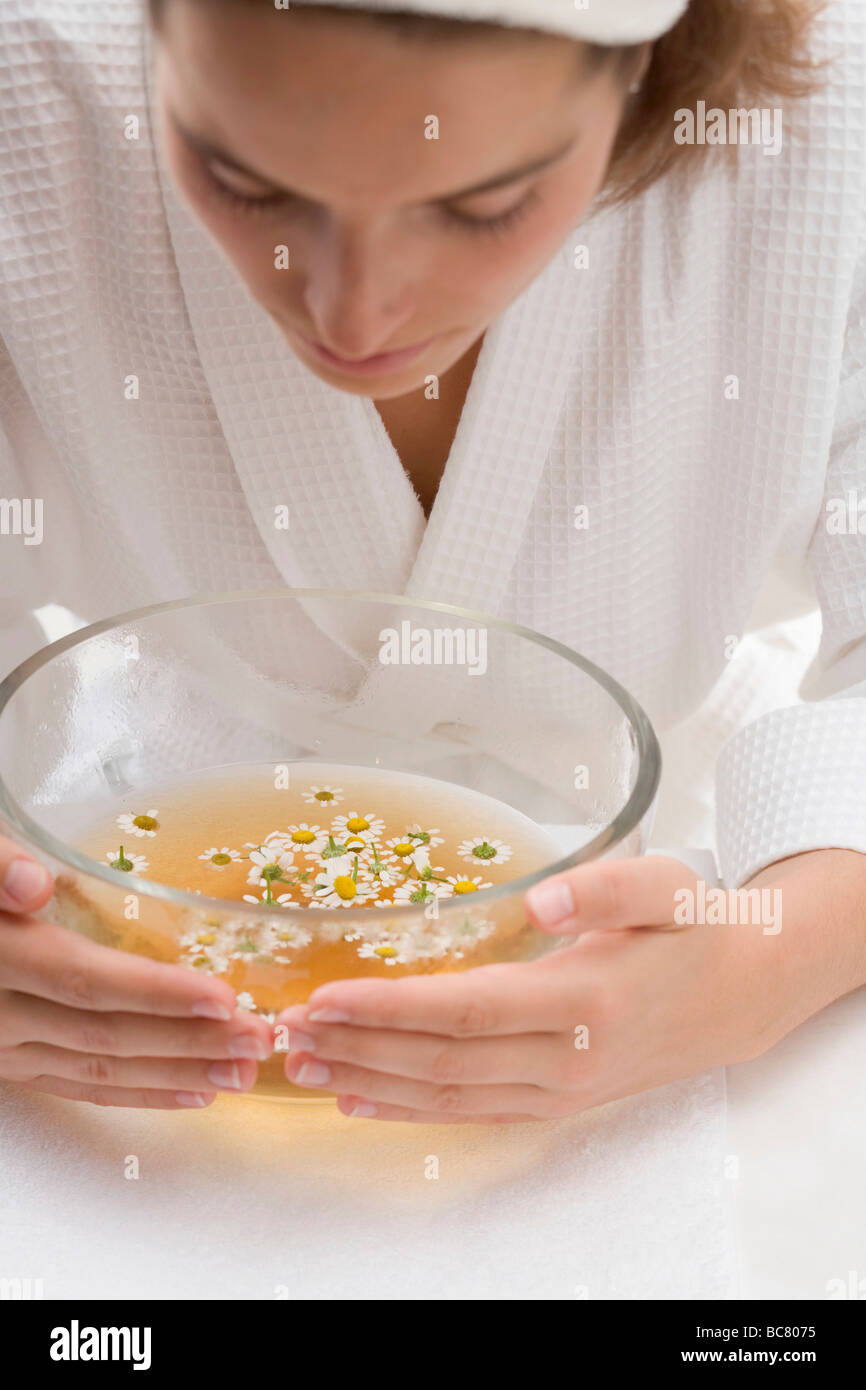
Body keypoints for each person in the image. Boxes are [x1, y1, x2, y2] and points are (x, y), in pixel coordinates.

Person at [0, 0, 864, 1122]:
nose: (349, 311)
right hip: (119, 902)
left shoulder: (823, 132)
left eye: (482, 205)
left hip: (669, 934)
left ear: (649, 75)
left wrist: (762, 963)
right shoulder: (33, 89)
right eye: (244, 179)